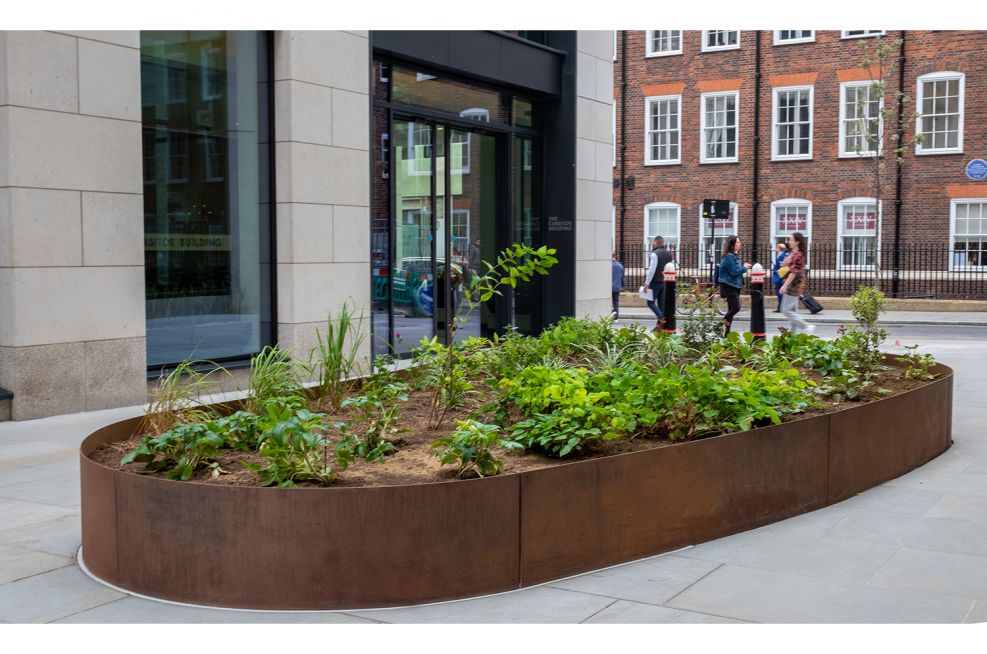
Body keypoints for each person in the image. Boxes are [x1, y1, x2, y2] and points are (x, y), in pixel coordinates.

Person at [777, 231, 815, 335]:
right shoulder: (793, 253)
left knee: (785, 310)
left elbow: (794, 272)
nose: (789, 241)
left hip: (793, 285)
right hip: (792, 284)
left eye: (791, 240)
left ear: (797, 242)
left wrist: (784, 286)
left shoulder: (798, 255)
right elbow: (786, 265)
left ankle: (806, 326)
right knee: (792, 312)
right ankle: (792, 335)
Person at [717, 235, 751, 335]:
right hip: (729, 286)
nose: (740, 244)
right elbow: (733, 272)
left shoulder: (733, 255)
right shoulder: (729, 256)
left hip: (734, 286)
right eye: (738, 243)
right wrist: (745, 268)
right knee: (736, 308)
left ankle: (726, 334)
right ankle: (719, 326)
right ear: (732, 245)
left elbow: (735, 270)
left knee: (730, 310)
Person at [642, 236, 674, 331]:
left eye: (653, 243)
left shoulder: (654, 254)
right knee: (661, 304)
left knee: (650, 302)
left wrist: (647, 283)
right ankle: (659, 327)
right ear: (662, 243)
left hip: (655, 282)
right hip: (665, 282)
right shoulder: (669, 254)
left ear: (656, 243)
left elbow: (652, 269)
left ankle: (661, 318)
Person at [771, 242, 790, 313]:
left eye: (777, 248)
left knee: (780, 292)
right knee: (780, 292)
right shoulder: (782, 255)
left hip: (779, 277)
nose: (775, 249)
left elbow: (784, 267)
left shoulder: (783, 256)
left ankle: (781, 307)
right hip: (779, 277)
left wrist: (784, 278)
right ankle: (781, 307)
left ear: (780, 249)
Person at [611, 252, 625, 319]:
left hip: (608, 288)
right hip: (617, 287)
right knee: (616, 302)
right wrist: (622, 286)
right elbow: (622, 277)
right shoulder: (620, 266)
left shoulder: (608, 265)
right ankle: (616, 317)